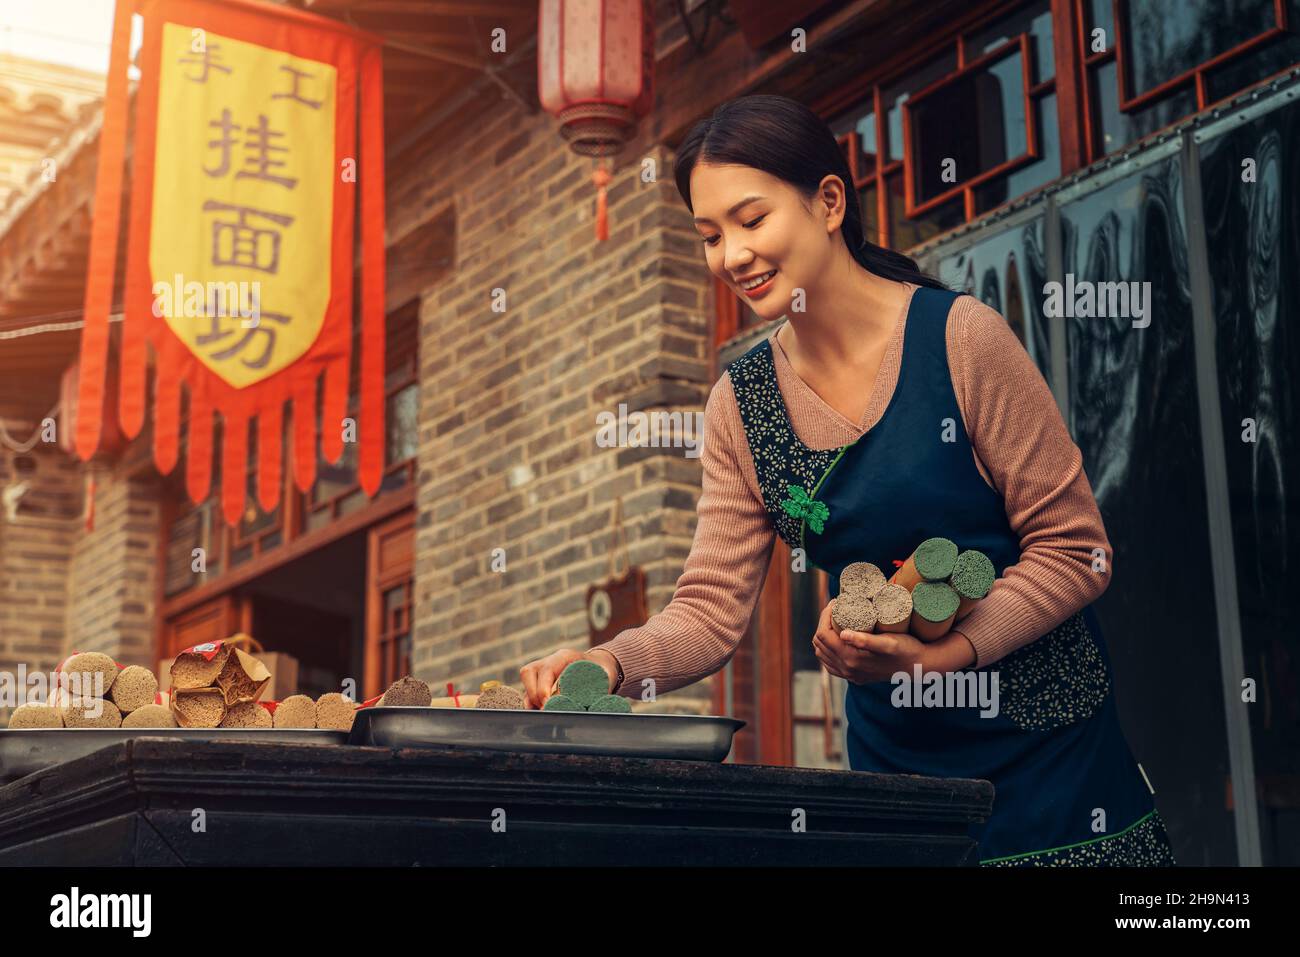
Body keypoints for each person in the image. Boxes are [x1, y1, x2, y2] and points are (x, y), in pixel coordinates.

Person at [520, 94, 1176, 866]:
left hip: (1054, 760)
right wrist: (612, 662)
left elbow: (1075, 550)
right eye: (708, 235)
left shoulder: (959, 339)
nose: (730, 254)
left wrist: (950, 653)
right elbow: (708, 609)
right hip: (902, 771)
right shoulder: (744, 403)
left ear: (829, 201)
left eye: (751, 219)